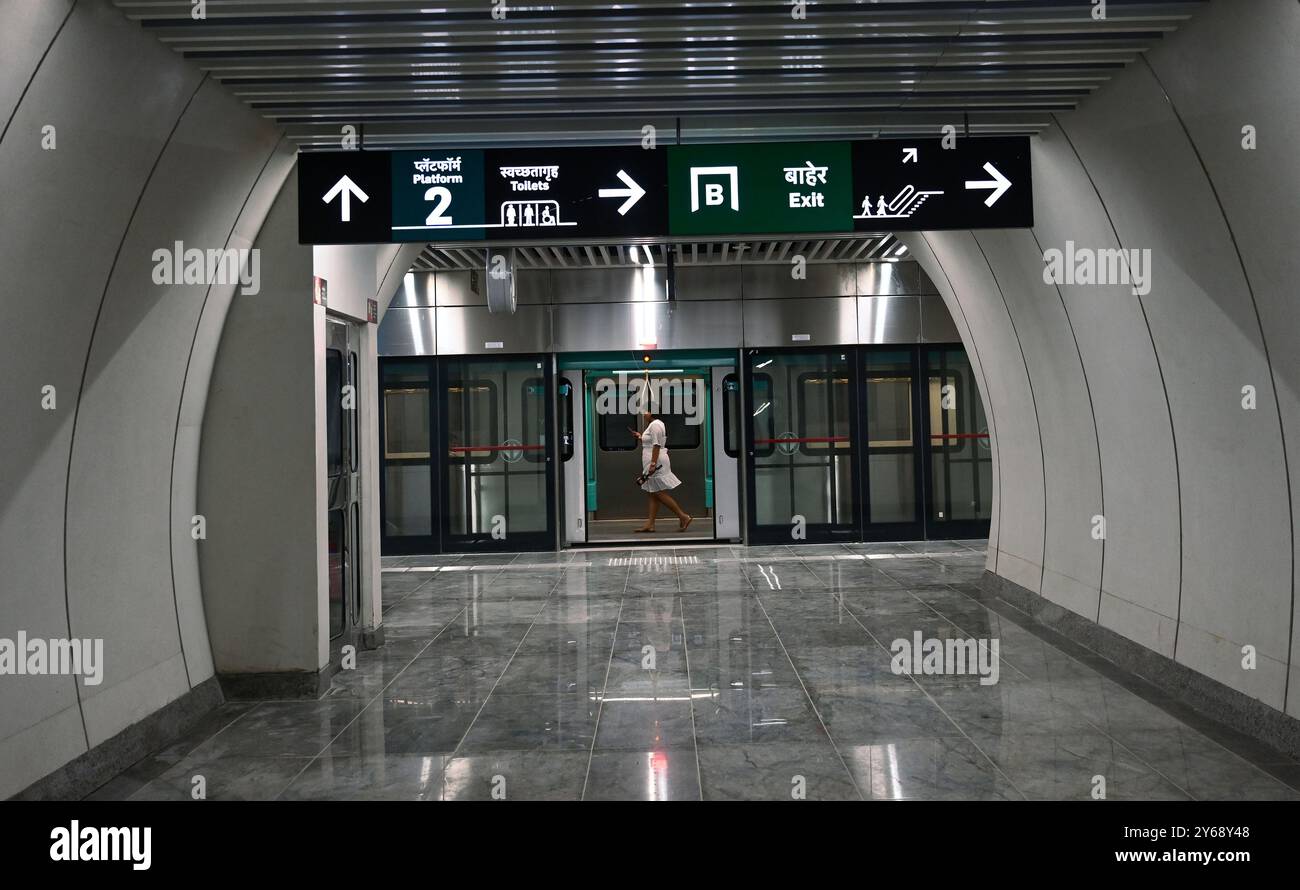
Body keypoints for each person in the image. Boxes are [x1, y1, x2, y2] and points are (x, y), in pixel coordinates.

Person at [632, 408, 692, 533]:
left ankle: (683, 516)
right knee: (652, 492)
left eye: (646, 411)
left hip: (656, 461)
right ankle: (650, 524)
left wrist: (653, 464)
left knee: (658, 493)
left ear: (652, 413)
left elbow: (656, 445)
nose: (644, 414)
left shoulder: (655, 425)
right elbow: (652, 442)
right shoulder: (656, 424)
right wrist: (640, 437)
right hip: (653, 460)